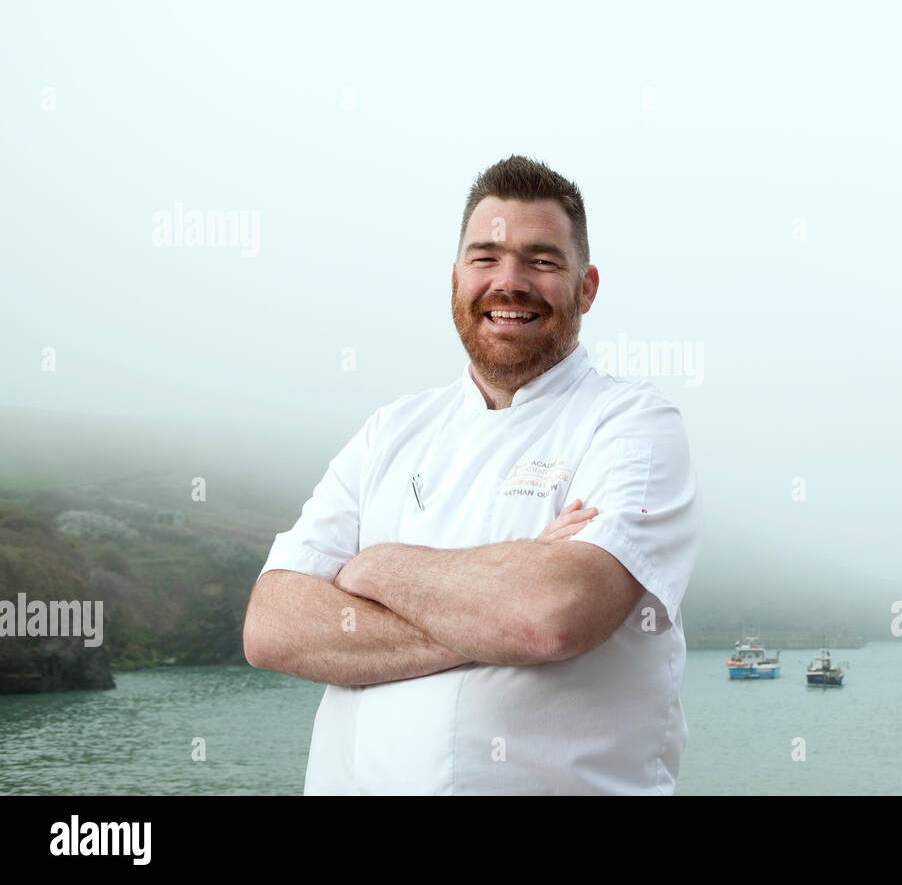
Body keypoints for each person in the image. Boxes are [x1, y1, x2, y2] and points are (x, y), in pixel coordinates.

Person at [242, 154, 700, 794]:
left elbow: (555, 614)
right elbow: (272, 628)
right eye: (485, 258)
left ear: (587, 287)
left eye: (542, 261)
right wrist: (501, 609)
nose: (508, 282)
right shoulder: (389, 432)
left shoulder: (632, 424)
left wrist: (376, 568)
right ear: (456, 278)